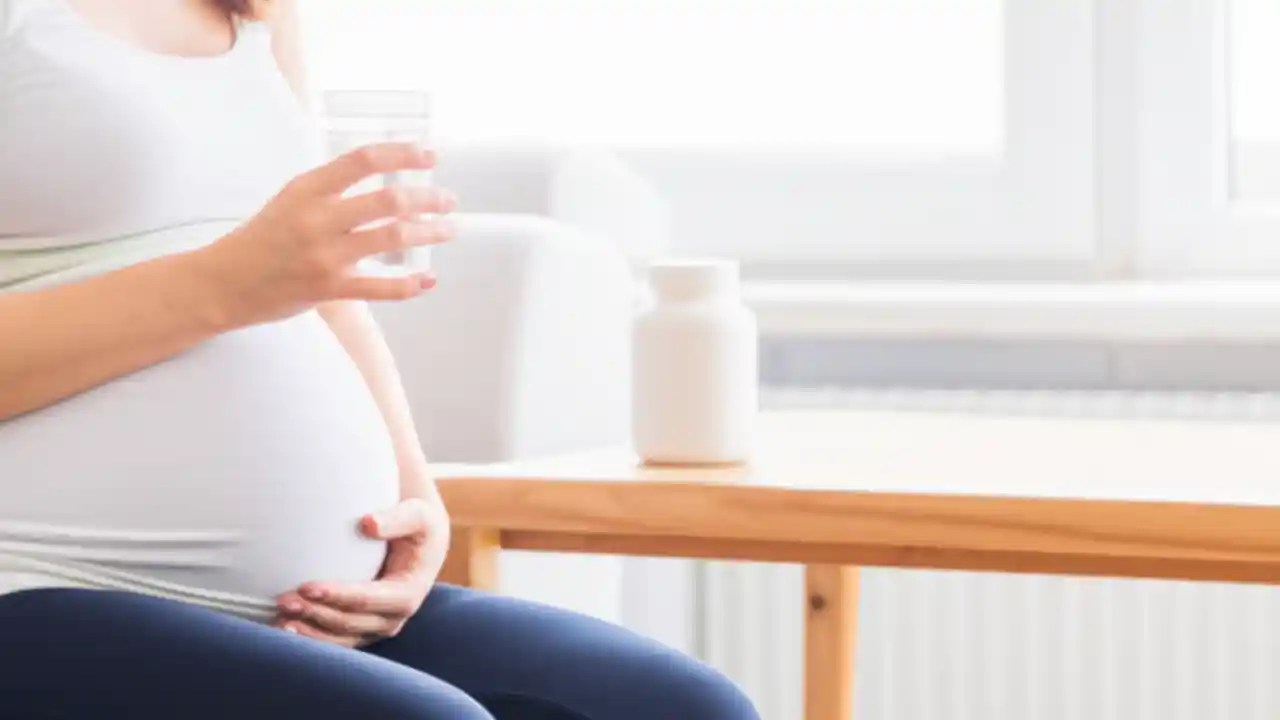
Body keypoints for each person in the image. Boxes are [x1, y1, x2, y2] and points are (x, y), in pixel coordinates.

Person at [0, 1, 760, 717]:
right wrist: (222, 284)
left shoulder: (252, 8)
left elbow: (322, 285)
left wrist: (415, 497)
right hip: (38, 581)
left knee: (683, 708)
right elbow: (252, 275)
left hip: (317, 601)